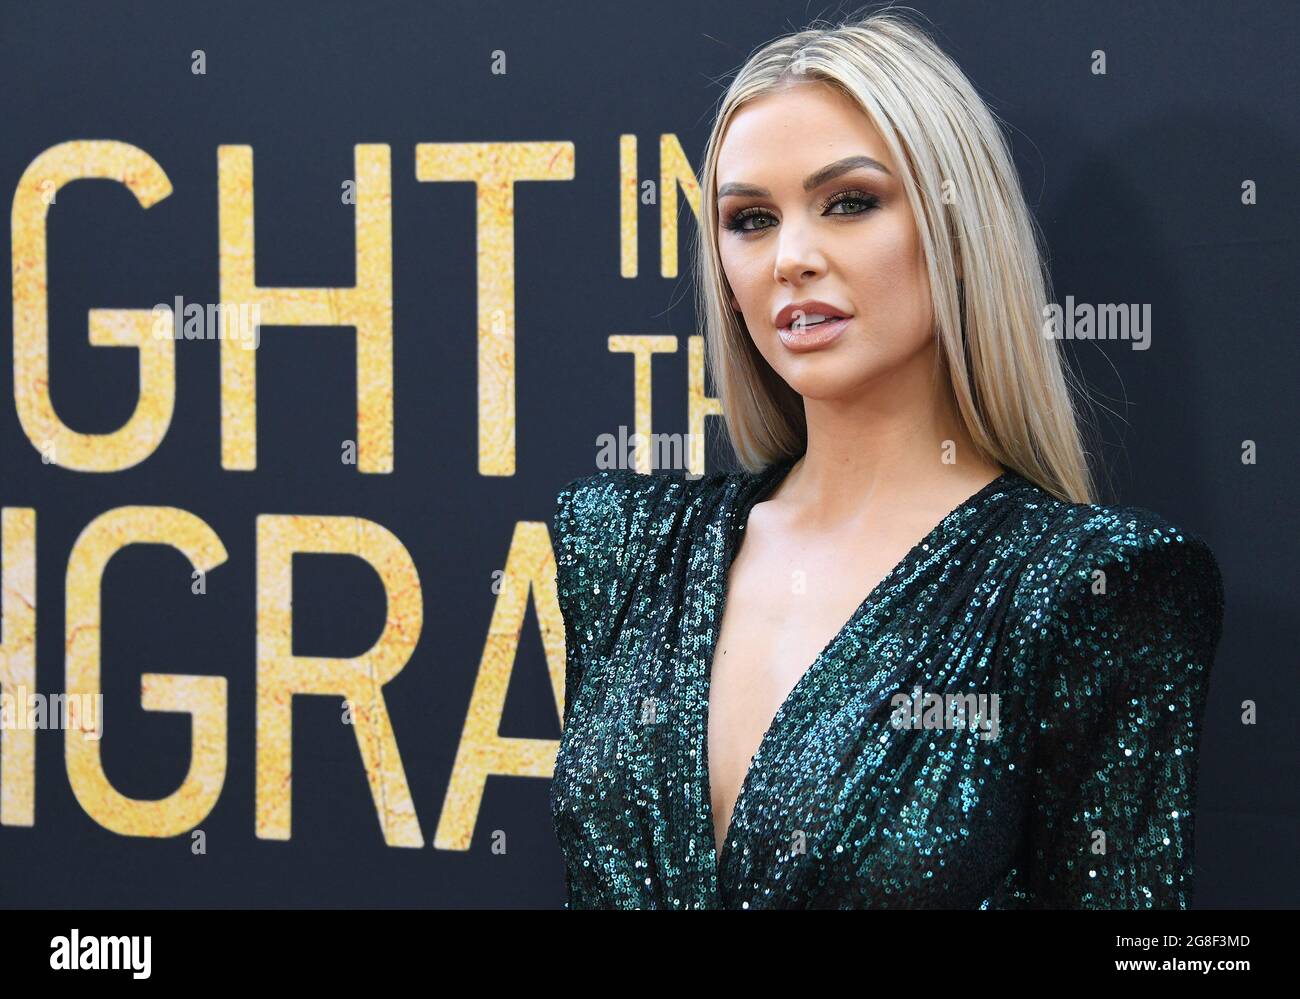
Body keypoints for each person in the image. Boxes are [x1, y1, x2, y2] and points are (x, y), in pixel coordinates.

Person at [548, 7, 1224, 909]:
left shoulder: (1089, 588)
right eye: (749, 219)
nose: (791, 258)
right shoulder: (625, 550)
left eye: (849, 202)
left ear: (956, 228)